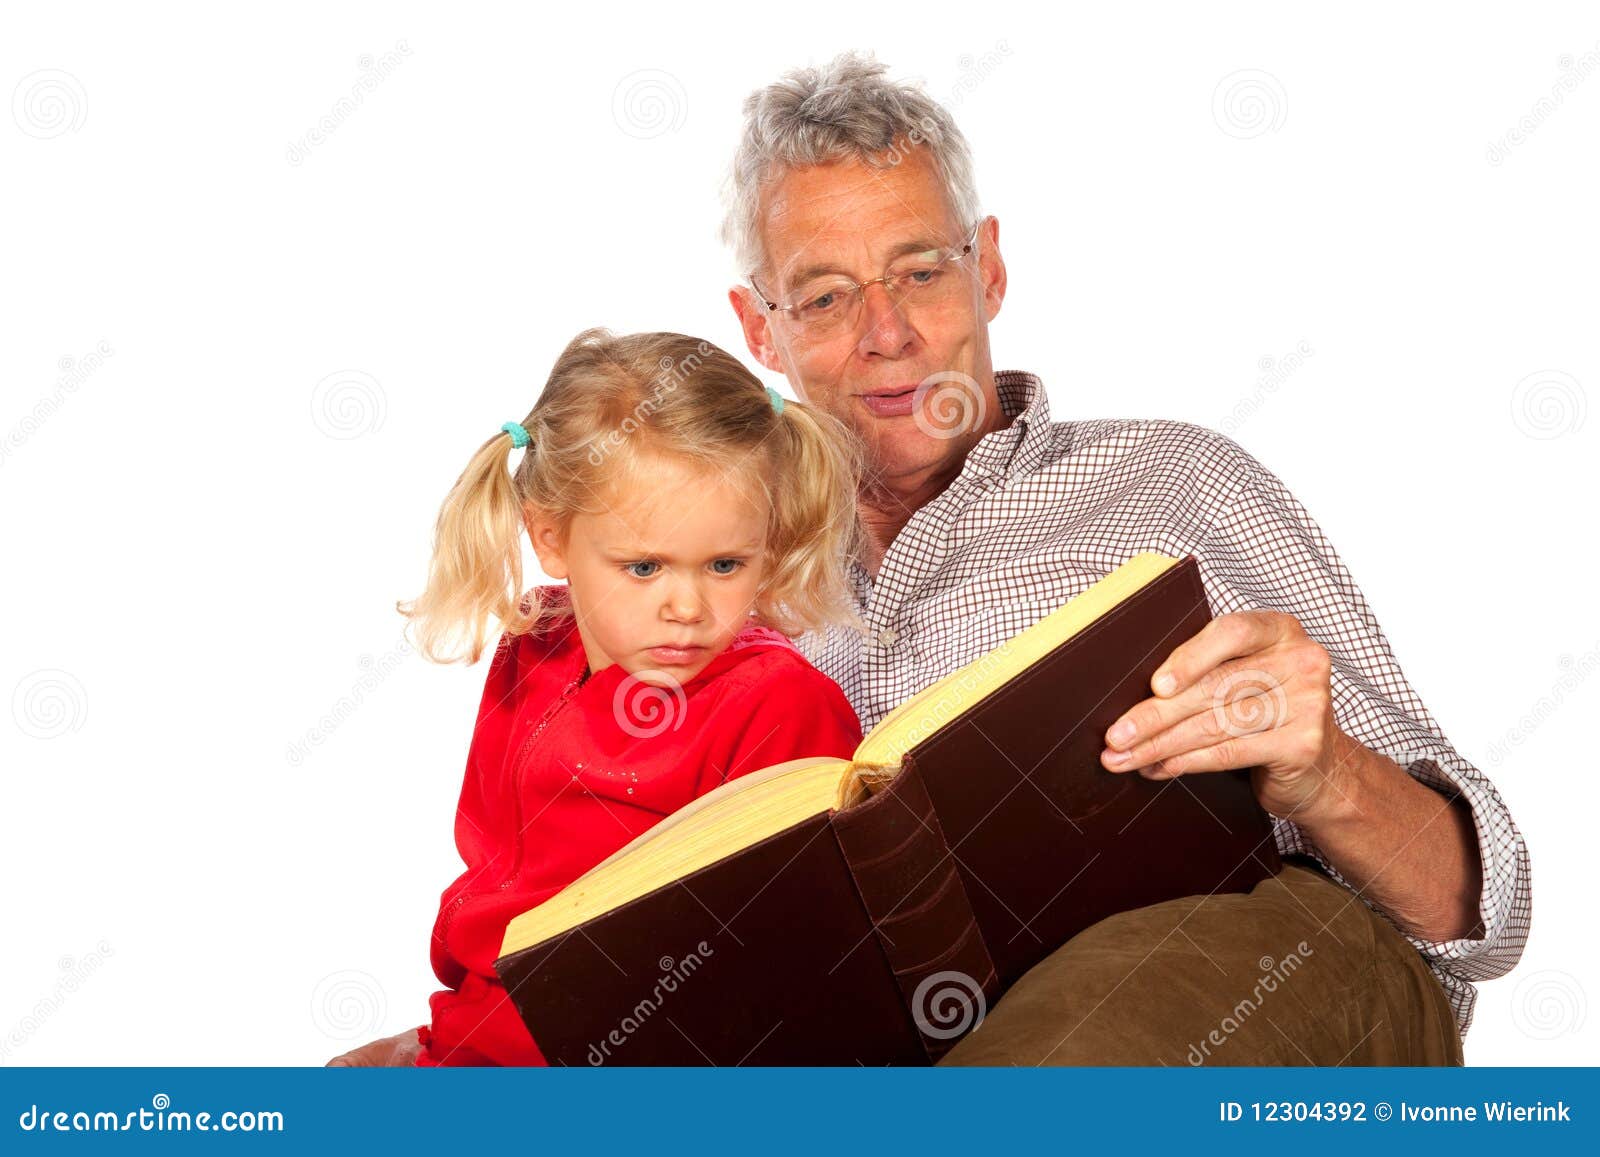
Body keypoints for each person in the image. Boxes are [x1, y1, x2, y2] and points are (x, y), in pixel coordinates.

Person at [721, 52, 1531, 1064]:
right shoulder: (715, 598)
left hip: (1256, 969)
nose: (887, 332)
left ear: (989, 269)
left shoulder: (1173, 480)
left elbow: (1483, 916)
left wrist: (1324, 772)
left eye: (921, 272)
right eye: (826, 298)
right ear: (759, 328)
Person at [327, 328, 868, 1066]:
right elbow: (492, 870)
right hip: (474, 1036)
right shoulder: (534, 644)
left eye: (724, 564)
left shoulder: (777, 704)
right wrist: (441, 1041)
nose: (687, 606)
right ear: (551, 538)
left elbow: (800, 960)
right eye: (644, 567)